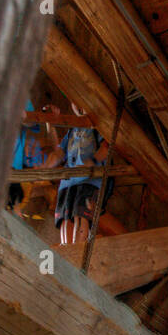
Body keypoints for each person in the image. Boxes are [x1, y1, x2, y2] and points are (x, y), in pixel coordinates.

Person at [45, 104, 113, 245]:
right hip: (68, 181)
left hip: (90, 180)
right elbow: (59, 153)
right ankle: (67, 248)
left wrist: (91, 161)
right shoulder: (73, 129)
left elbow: (106, 148)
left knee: (80, 214)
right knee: (65, 216)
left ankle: (79, 247)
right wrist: (43, 168)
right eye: (75, 103)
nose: (79, 106)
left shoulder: (98, 126)